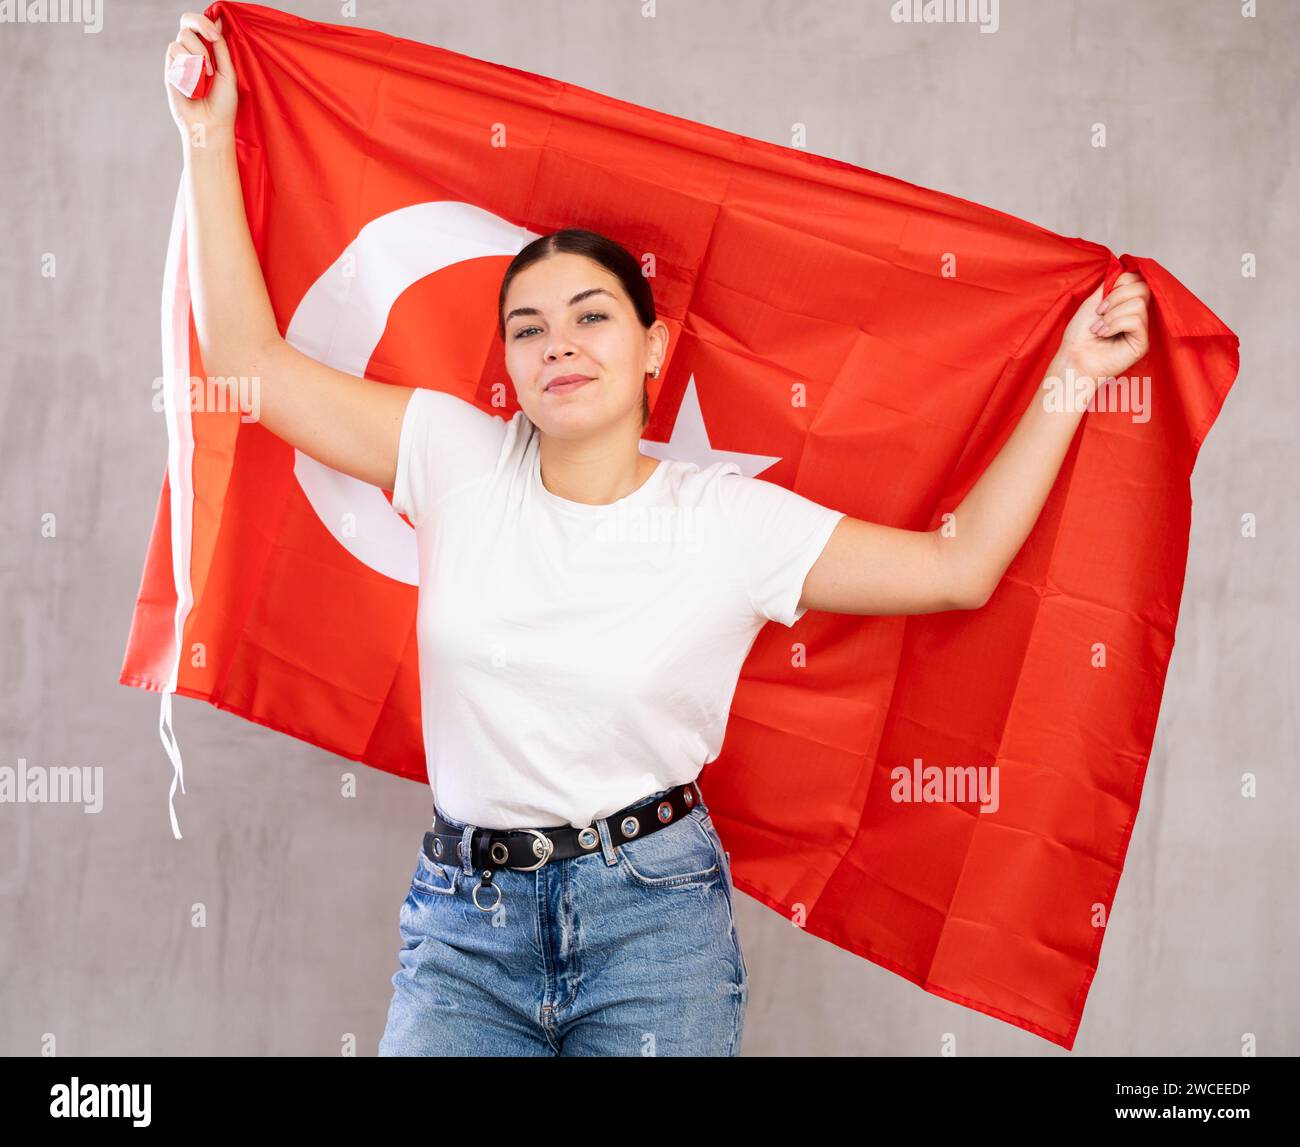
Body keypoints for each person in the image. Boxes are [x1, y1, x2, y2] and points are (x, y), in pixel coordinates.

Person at [164, 11, 1151, 1057]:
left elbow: (959, 569)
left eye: (592, 315)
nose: (561, 345)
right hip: (465, 926)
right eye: (529, 328)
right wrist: (206, 132)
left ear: (653, 347)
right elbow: (250, 365)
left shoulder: (726, 523)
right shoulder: (453, 455)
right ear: (507, 366)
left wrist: (1071, 378)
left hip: (652, 925)